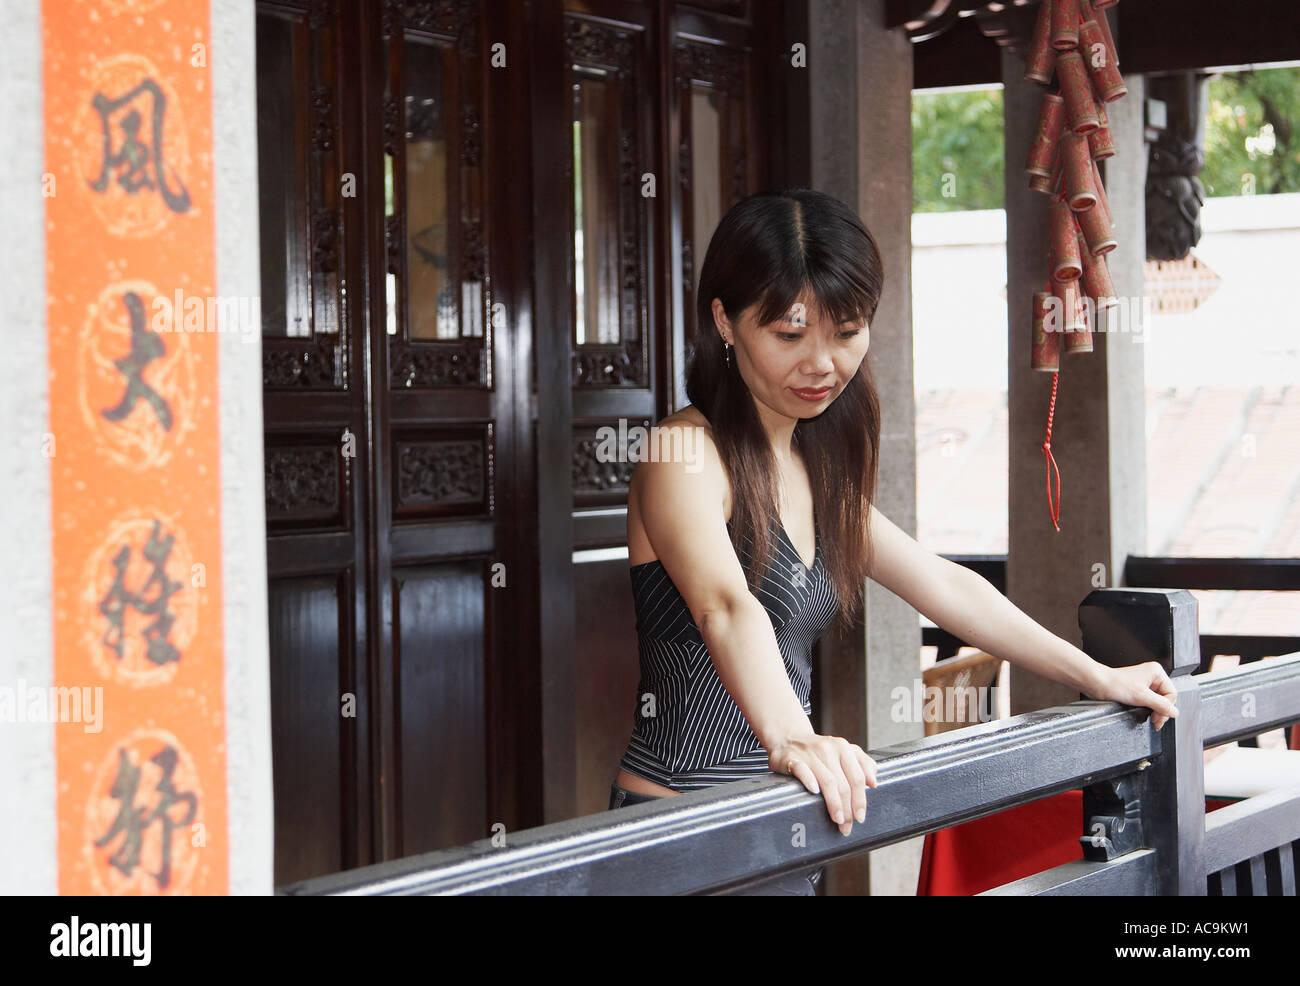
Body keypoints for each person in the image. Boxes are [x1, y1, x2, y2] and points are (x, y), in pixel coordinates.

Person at [608, 188, 1179, 895]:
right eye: (790, 335)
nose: (822, 362)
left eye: (845, 332)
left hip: (782, 826)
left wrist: (1098, 677)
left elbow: (944, 585)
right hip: (681, 836)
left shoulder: (817, 468)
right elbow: (725, 606)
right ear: (725, 321)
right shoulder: (680, 453)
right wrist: (793, 739)